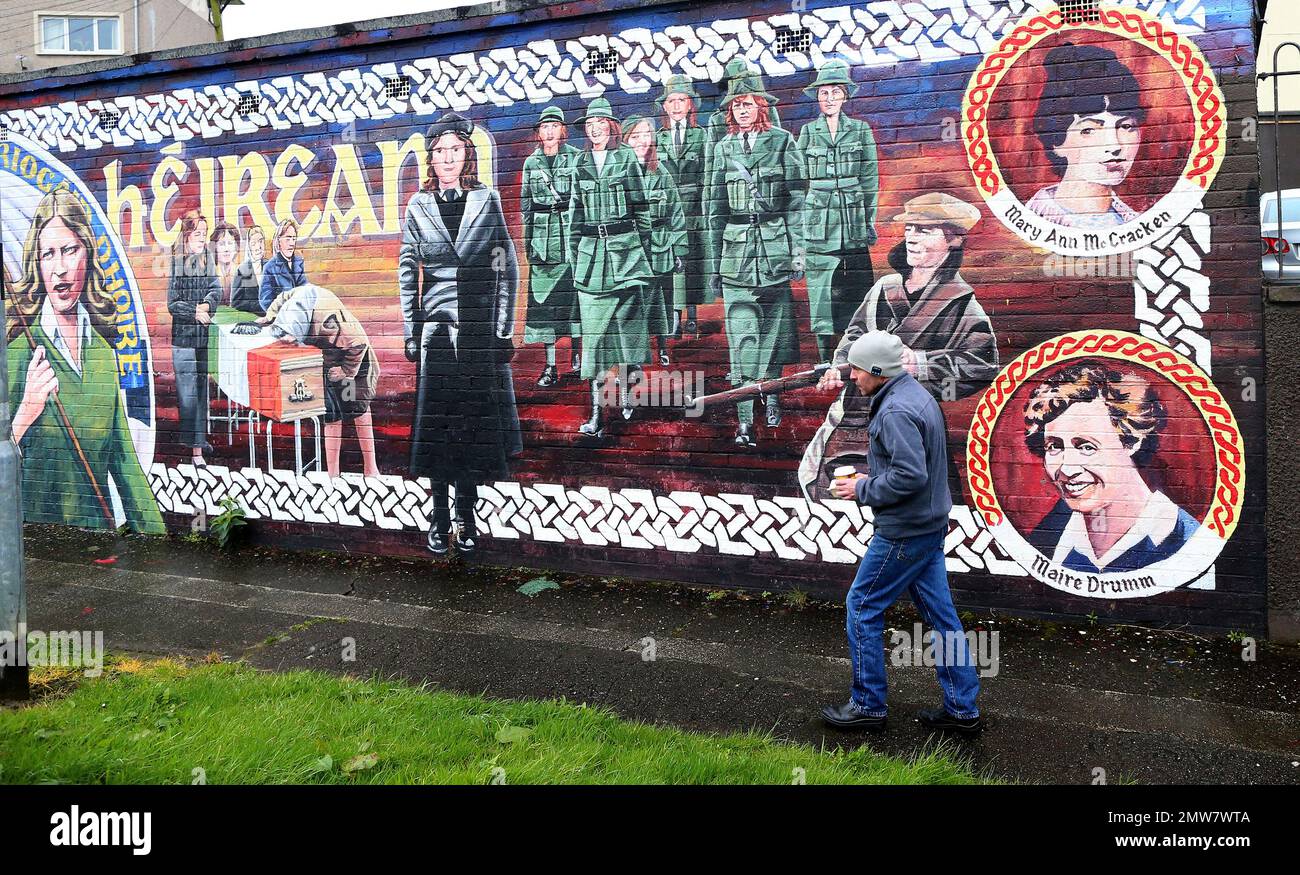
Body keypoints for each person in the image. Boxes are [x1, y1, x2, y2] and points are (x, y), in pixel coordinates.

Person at [823, 331, 981, 735]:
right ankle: (962, 709)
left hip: (904, 532)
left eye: (857, 368)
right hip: (928, 527)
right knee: (942, 618)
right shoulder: (916, 396)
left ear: (877, 370)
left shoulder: (894, 411)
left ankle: (867, 705)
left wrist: (860, 487)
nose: (853, 375)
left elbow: (910, 476)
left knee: (861, 607)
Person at [803, 193, 997, 499]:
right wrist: (838, 368)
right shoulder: (884, 287)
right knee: (819, 485)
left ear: (954, 240)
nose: (912, 238)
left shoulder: (962, 303)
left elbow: (981, 364)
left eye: (925, 230)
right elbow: (855, 334)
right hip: (852, 417)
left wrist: (919, 363)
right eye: (910, 229)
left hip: (908, 422)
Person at [5, 189, 164, 533]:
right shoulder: (18, 353)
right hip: (37, 548)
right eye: (48, 254)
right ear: (37, 262)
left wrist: (157, 543)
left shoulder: (104, 356)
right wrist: (24, 415)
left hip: (99, 545)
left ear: (87, 254)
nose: (60, 268)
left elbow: (126, 468)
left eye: (69, 250)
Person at [399, 111, 521, 556]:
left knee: (470, 425)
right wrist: (413, 332)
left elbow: (506, 265)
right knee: (437, 426)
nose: (447, 158)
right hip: (436, 331)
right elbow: (407, 271)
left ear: (466, 154)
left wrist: (503, 328)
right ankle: (438, 516)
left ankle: (467, 516)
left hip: (477, 327)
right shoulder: (418, 206)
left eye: (455, 150)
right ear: (430, 159)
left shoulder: (486, 200)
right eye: (439, 152)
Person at [704, 64, 806, 447]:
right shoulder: (722, 148)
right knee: (742, 338)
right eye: (736, 106)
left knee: (773, 335)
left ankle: (773, 394)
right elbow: (713, 208)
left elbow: (797, 200)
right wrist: (714, 263)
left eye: (748, 104)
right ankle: (745, 418)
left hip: (775, 247)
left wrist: (797, 251)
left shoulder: (782, 142)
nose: (742, 110)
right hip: (735, 256)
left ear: (761, 106)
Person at [1023, 362, 1200, 573]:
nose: (1067, 469)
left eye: (1087, 447)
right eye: (1054, 446)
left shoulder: (1185, 539)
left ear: (1131, 441)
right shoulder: (1048, 536)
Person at [566, 97, 655, 436]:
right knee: (594, 341)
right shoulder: (579, 164)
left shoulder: (626, 158)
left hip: (627, 255)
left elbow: (640, 207)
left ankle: (631, 390)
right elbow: (574, 218)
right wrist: (577, 259)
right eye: (591, 124)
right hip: (592, 263)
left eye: (602, 122)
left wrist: (640, 251)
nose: (596, 128)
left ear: (612, 127)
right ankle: (597, 415)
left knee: (630, 332)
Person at [798, 60, 879, 359]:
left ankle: (855, 353)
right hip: (818, 222)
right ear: (817, 97)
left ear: (845, 96)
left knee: (856, 285)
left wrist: (867, 220)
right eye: (823, 93)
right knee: (820, 288)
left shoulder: (860, 130)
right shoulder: (807, 132)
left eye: (835, 92)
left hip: (852, 219)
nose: (829, 98)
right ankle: (823, 356)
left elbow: (870, 179)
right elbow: (799, 181)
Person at [259, 284, 380, 478]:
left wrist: (346, 371)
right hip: (327, 357)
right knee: (332, 415)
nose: (288, 342)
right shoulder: (299, 297)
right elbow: (282, 298)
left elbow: (358, 343)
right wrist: (271, 316)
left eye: (290, 338)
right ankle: (333, 476)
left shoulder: (329, 322)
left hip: (353, 358)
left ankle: (371, 469)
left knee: (358, 409)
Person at [1025, 42, 1145, 229]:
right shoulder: (1035, 219)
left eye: (1126, 126)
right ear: (1057, 142)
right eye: (1089, 130)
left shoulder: (1133, 222)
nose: (1114, 146)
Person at [521, 105, 582, 387]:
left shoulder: (576, 158)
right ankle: (550, 365)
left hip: (571, 236)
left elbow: (582, 202)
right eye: (544, 127)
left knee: (576, 300)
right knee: (543, 306)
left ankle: (578, 356)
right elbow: (526, 207)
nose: (549, 131)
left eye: (554, 126)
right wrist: (529, 244)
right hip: (544, 241)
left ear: (563, 131)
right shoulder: (531, 164)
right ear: (538, 133)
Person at [625, 114, 687, 367]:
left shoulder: (660, 171)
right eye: (635, 136)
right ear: (626, 139)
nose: (642, 141)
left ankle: (662, 346)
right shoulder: (619, 171)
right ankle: (637, 355)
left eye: (646, 135)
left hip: (660, 246)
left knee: (660, 300)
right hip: (630, 247)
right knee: (634, 302)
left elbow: (676, 212)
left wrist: (679, 249)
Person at [655, 75, 708, 337]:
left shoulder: (701, 136)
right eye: (671, 101)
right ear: (664, 106)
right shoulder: (658, 138)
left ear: (690, 105)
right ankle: (674, 318)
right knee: (674, 266)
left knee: (693, 266)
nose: (676, 106)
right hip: (668, 214)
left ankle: (693, 317)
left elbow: (708, 176)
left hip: (694, 211)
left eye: (681, 100)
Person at [167, 209, 220, 466]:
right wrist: (195, 312)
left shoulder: (208, 258)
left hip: (202, 339)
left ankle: (199, 441)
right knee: (188, 396)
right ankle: (195, 451)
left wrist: (207, 307)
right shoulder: (178, 262)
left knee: (201, 393)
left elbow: (215, 288)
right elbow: (172, 304)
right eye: (198, 233)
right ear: (187, 235)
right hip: (183, 340)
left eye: (205, 233)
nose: (202, 237)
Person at [259, 219, 308, 312]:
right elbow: (265, 301)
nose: (292, 243)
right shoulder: (270, 267)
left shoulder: (298, 262)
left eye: (294, 239)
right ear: (279, 241)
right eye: (288, 239)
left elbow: (305, 290)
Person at [230, 225, 267, 315]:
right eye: (253, 243)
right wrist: (259, 305)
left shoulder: (270, 266)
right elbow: (236, 303)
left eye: (261, 241)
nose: (258, 247)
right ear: (249, 246)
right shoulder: (243, 270)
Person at [210, 221, 241, 308]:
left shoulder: (241, 274)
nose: (226, 249)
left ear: (236, 247)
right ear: (215, 247)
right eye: (222, 244)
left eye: (230, 243)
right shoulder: (209, 275)